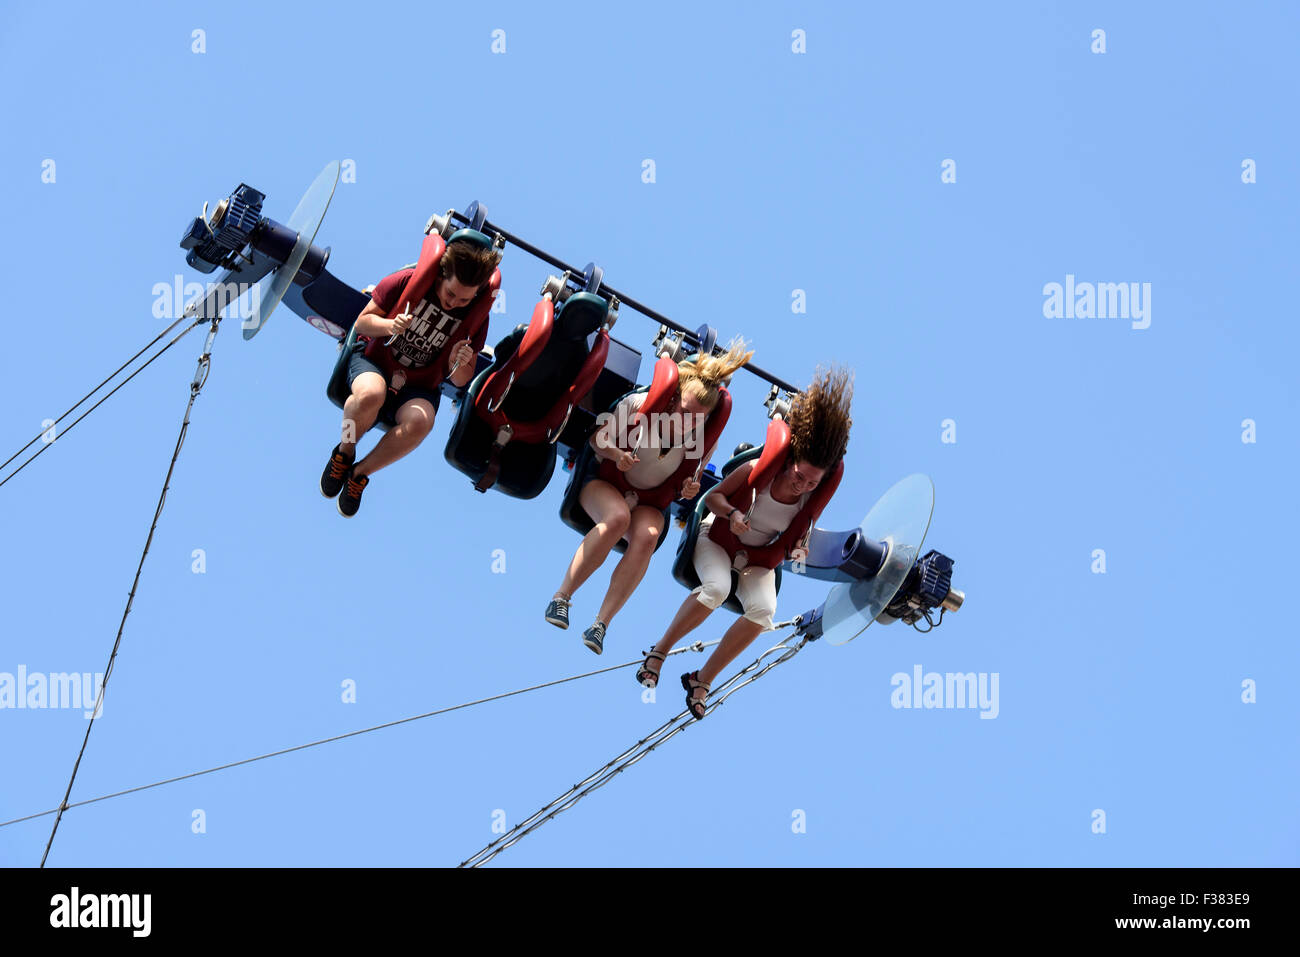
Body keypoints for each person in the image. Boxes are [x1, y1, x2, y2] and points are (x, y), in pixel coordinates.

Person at [637, 367, 853, 718]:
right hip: (718, 540)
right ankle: (659, 652)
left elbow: (798, 535)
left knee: (764, 612)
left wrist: (800, 546)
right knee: (716, 589)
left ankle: (701, 679)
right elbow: (713, 499)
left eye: (812, 483)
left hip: (756, 560)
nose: (802, 486)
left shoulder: (807, 502)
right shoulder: (756, 470)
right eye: (799, 476)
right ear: (790, 462)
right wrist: (734, 516)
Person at [545, 341, 754, 654]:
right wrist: (617, 454)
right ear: (672, 400)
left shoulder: (701, 436)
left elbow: (691, 477)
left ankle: (601, 623)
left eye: (697, 418)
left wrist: (689, 488)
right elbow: (596, 440)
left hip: (651, 500)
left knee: (649, 536)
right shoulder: (642, 404)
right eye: (685, 412)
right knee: (618, 519)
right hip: (605, 481)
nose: (689, 421)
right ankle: (561, 597)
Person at [320, 238, 502, 516]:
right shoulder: (406, 280)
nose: (454, 303)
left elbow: (461, 381)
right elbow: (362, 322)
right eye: (451, 294)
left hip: (419, 386)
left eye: (464, 299)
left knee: (421, 422)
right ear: (442, 275)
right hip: (374, 362)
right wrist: (391, 325)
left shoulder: (477, 318)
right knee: (371, 394)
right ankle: (344, 452)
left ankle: (359, 474)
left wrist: (460, 361)